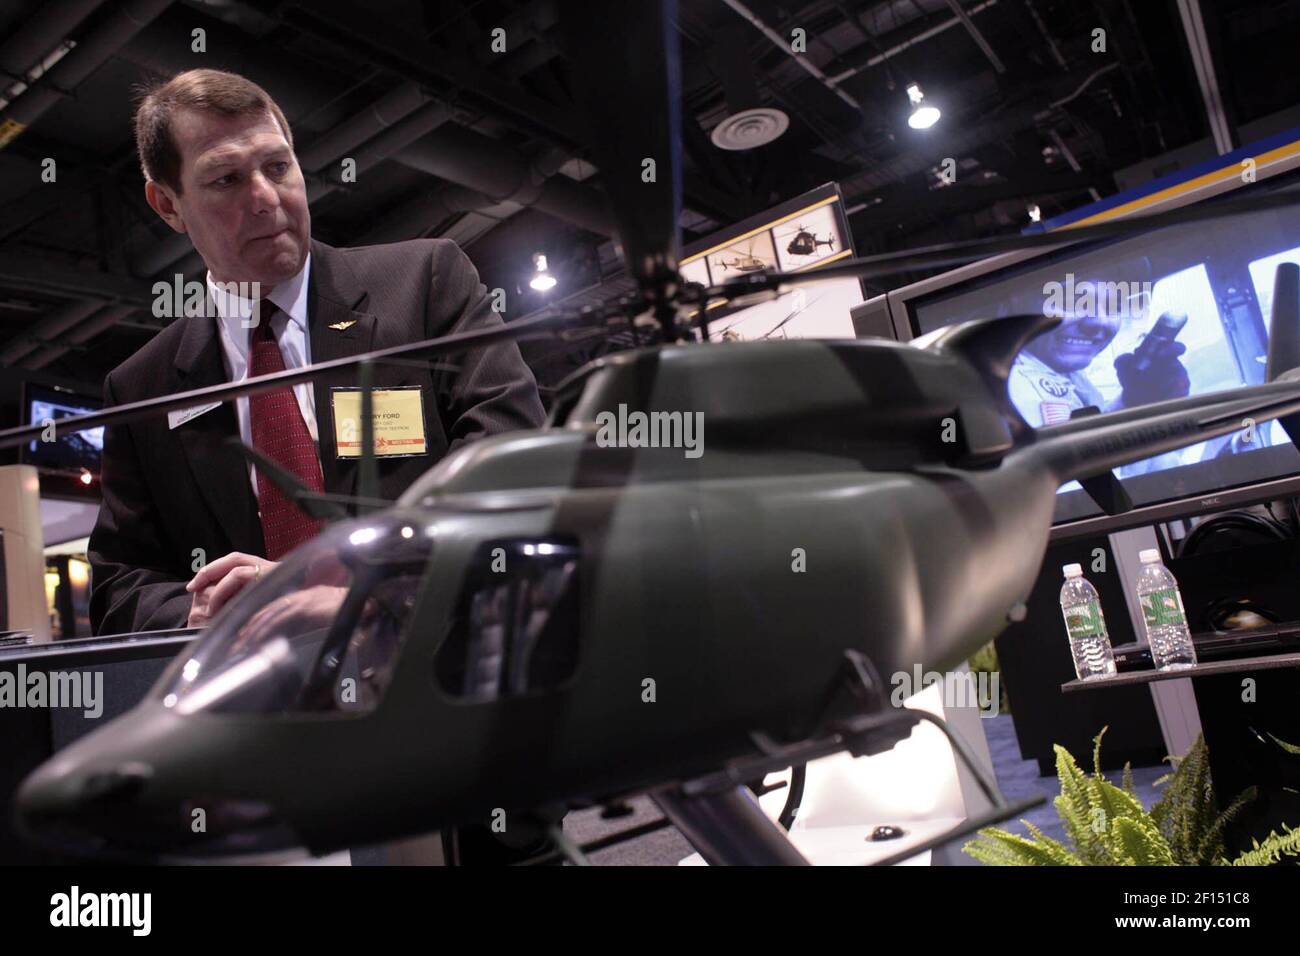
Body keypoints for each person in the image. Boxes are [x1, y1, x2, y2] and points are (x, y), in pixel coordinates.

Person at [88, 69, 545, 637]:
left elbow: (516, 461)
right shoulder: (142, 387)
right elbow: (118, 582)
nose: (264, 198)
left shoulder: (424, 283)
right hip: (266, 705)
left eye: (277, 167)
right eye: (226, 179)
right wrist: (201, 612)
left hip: (443, 666)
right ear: (167, 205)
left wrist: (371, 587)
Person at [1008, 279, 1190, 428]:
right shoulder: (1012, 387)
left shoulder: (1066, 374)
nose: (1100, 321)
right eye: (1071, 301)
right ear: (1016, 307)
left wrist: (1133, 400)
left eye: (1114, 307)